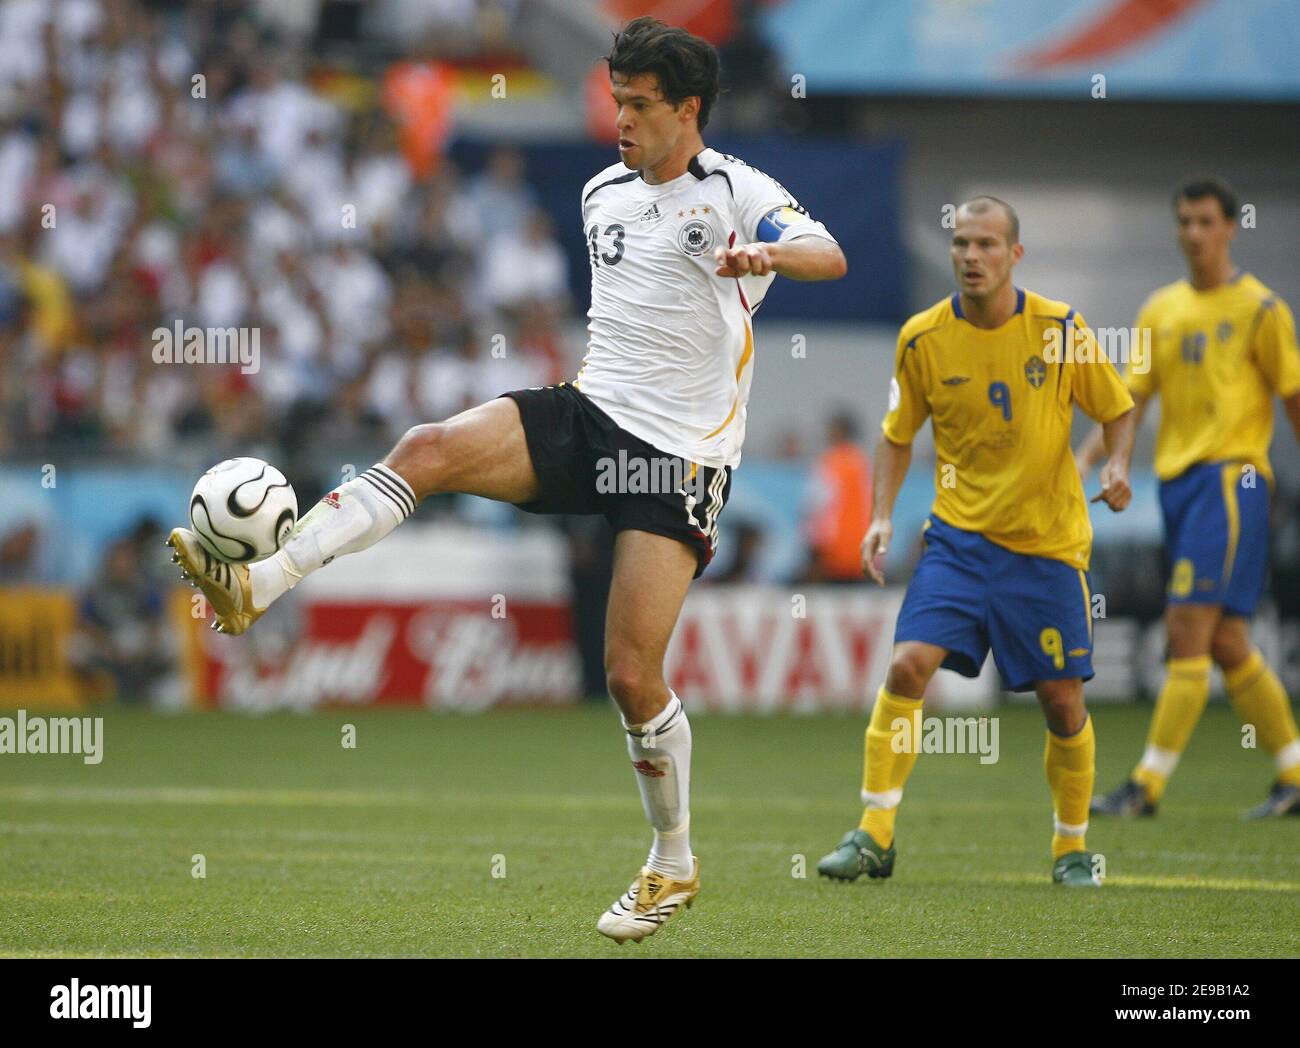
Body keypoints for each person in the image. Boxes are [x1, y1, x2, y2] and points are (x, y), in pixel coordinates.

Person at [167, 16, 846, 942]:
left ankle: (673, 861)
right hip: (588, 411)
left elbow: (828, 253)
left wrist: (765, 254)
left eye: (641, 107)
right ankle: (258, 581)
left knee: (629, 675)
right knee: (428, 446)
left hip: (679, 455)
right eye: (617, 103)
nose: (622, 122)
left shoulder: (736, 191)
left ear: (688, 109)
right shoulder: (601, 192)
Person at [814, 196, 1136, 887]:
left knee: (1062, 703)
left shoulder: (1060, 329)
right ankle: (874, 833)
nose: (971, 257)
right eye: (961, 243)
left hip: (1046, 548)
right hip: (957, 543)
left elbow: (1117, 408)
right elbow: (897, 435)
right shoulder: (922, 338)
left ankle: (1071, 847)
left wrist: (1115, 463)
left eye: (987, 244)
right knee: (906, 667)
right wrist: (880, 516)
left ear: (1014, 255)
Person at [1081, 177, 1300, 819]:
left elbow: (1292, 399)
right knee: (1229, 641)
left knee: (1187, 629)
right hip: (1179, 486)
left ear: (1231, 227)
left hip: (1231, 481)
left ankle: (1145, 786)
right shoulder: (1161, 310)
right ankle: (1294, 773)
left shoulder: (1261, 309)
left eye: (1206, 222)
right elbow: (1128, 401)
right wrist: (1096, 458)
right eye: (1184, 222)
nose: (1194, 234)